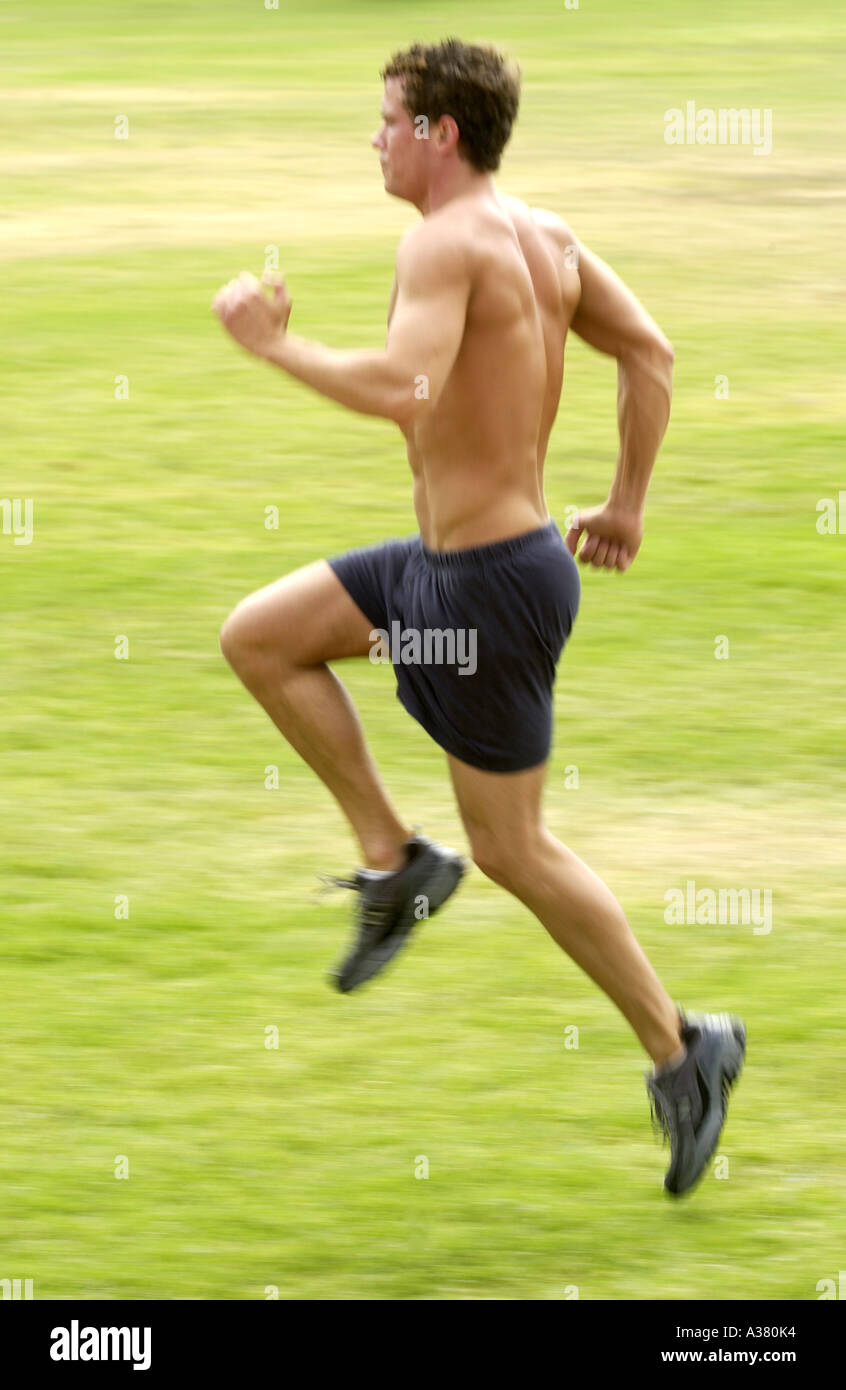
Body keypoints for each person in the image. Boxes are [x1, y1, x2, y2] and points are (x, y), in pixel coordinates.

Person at [212, 38, 745, 1197]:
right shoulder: (544, 237)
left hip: (488, 586)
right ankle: (394, 861)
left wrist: (275, 345)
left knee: (514, 846)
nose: (376, 138)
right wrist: (628, 505)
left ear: (441, 132)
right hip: (452, 565)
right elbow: (649, 351)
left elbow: (405, 386)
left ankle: (684, 1047)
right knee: (261, 634)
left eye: (390, 118)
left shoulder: (442, 241)